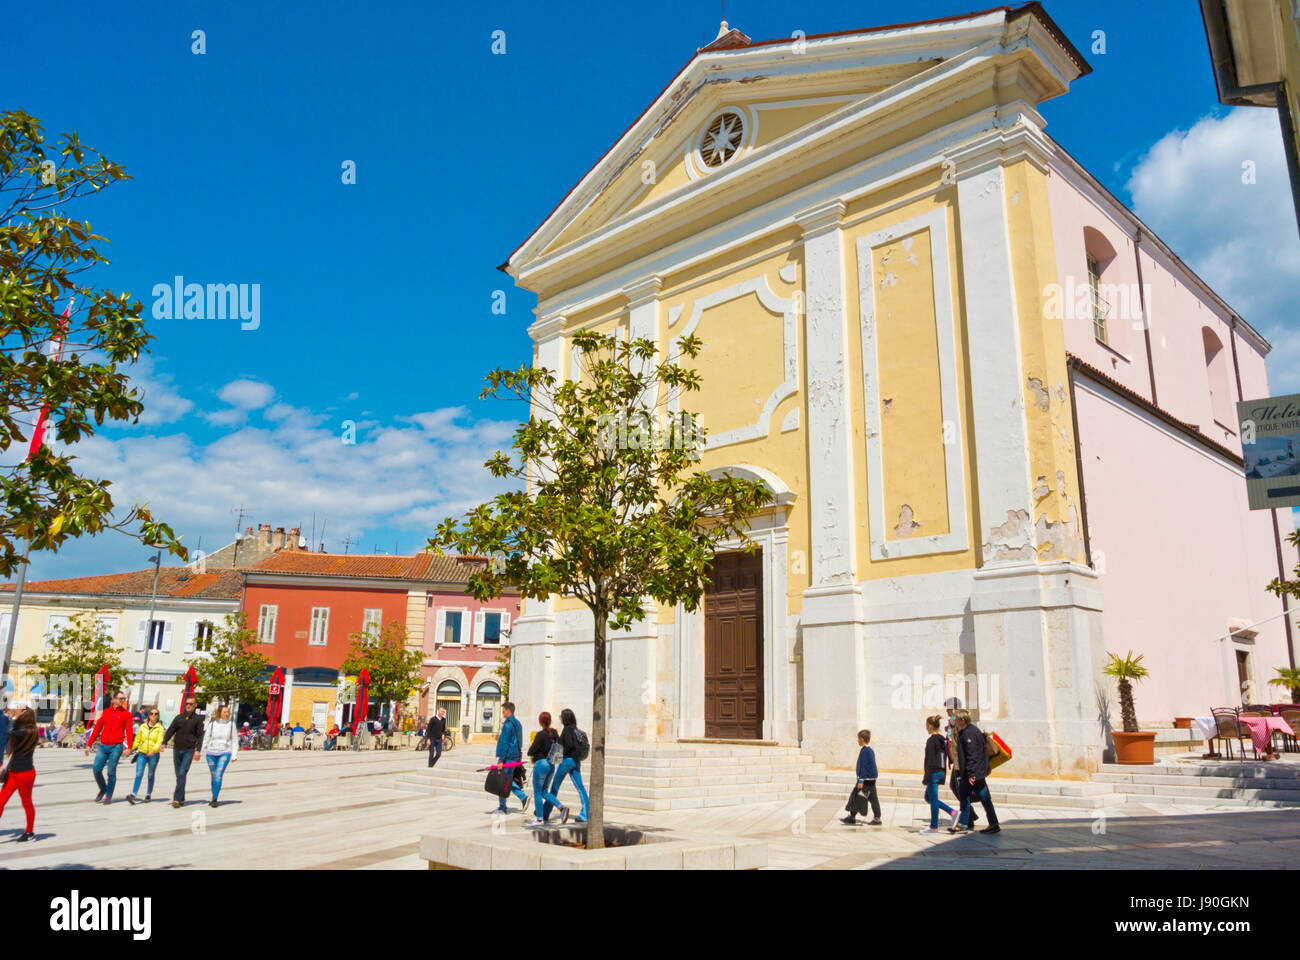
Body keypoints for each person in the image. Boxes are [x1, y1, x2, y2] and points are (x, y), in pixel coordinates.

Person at [951, 709, 1000, 834]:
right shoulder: (973, 730)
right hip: (978, 772)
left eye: (956, 719)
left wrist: (971, 774)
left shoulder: (968, 734)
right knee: (984, 798)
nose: (954, 721)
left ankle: (963, 825)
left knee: (964, 797)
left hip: (972, 773)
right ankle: (993, 823)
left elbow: (972, 755)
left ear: (962, 720)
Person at [85, 690, 134, 805]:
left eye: (124, 699)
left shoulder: (126, 714)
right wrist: (89, 744)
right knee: (96, 769)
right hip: (103, 746)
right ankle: (103, 788)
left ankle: (108, 796)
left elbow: (129, 731)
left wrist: (129, 747)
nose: (122, 700)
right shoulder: (106, 712)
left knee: (111, 771)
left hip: (116, 747)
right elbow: (97, 728)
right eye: (120, 698)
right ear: (114, 699)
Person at [0, 706, 39, 841]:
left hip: (25, 774)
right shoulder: (20, 729)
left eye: (20, 709)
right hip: (13, 773)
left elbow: (10, 731)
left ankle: (29, 832)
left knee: (26, 803)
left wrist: (13, 718)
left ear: (25, 713)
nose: (16, 709)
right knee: (0, 802)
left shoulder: (30, 731)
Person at [525, 711, 568, 828]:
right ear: (550, 721)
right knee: (544, 791)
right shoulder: (555, 733)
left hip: (541, 764)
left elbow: (531, 752)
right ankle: (561, 807)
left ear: (540, 721)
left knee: (538, 793)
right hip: (551, 765)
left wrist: (531, 745)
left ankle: (539, 819)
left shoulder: (540, 735)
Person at [162, 697, 205, 808]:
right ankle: (181, 798)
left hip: (189, 750)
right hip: (177, 749)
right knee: (179, 775)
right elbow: (171, 730)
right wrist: (164, 742)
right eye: (187, 704)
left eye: (191, 704)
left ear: (195, 705)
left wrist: (198, 750)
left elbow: (200, 736)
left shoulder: (198, 720)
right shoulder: (179, 718)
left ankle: (176, 799)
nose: (188, 706)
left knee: (182, 773)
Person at [550, 708, 589, 824]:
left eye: (561, 716)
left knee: (554, 787)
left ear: (565, 718)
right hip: (576, 760)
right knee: (580, 788)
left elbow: (567, 746)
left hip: (567, 761)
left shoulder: (567, 729)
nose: (560, 718)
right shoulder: (575, 729)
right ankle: (585, 814)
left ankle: (545, 812)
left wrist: (559, 753)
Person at [920, 715, 958, 834]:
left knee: (933, 800)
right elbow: (944, 756)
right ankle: (952, 813)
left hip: (933, 773)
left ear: (930, 726)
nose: (926, 728)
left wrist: (926, 777)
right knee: (928, 798)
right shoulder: (943, 739)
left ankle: (934, 827)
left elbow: (929, 760)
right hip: (940, 771)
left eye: (927, 725)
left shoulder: (931, 741)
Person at [944, 698, 978, 829]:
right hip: (956, 762)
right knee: (955, 787)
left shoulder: (957, 724)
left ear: (954, 709)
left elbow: (959, 743)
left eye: (949, 708)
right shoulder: (952, 723)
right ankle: (969, 815)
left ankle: (967, 819)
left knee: (963, 791)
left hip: (961, 763)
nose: (947, 710)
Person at [493, 701, 529, 814]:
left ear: (508, 710)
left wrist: (501, 759)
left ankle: (503, 807)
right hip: (515, 755)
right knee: (506, 780)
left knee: (503, 781)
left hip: (508, 757)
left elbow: (505, 743)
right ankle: (522, 798)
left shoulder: (508, 724)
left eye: (503, 710)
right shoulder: (518, 723)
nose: (502, 712)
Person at [841, 729, 882, 826]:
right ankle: (877, 817)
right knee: (873, 799)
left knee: (856, 797)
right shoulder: (869, 750)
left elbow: (863, 766)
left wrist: (860, 780)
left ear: (862, 739)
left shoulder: (865, 751)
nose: (858, 741)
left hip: (865, 780)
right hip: (871, 780)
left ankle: (852, 817)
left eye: (858, 739)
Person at [125, 707, 165, 804]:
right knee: (139, 774)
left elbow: (159, 741)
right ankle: (133, 794)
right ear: (148, 715)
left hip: (153, 754)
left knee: (150, 775)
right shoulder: (142, 726)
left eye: (156, 714)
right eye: (151, 713)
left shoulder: (160, 728)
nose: (153, 715)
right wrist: (130, 748)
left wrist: (154, 750)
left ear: (158, 716)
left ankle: (148, 794)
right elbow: (137, 740)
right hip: (142, 753)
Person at [202, 704, 239, 808]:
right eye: (225, 712)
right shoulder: (212, 724)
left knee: (218, 774)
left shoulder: (231, 724)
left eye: (228, 712)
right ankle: (214, 795)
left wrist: (234, 755)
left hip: (225, 752)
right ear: (219, 713)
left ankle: (214, 799)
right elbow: (206, 738)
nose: (227, 714)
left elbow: (235, 741)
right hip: (211, 753)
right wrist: (200, 751)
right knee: (214, 776)